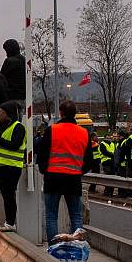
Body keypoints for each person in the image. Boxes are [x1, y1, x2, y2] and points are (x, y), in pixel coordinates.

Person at [35, 100, 93, 242]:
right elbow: (89, 160)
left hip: (53, 178)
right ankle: (76, 246)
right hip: (73, 179)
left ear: (60, 113)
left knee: (51, 215)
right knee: (76, 216)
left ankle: (54, 247)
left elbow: (42, 155)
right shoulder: (84, 133)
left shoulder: (52, 130)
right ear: (75, 114)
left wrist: (45, 171)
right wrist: (79, 171)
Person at [0, 103, 26, 231]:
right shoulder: (0, 127)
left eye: (1, 112)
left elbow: (15, 145)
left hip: (12, 167)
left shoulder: (18, 127)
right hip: (1, 167)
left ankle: (10, 223)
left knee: (9, 195)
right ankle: (9, 222)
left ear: (8, 114)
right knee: (6, 195)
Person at [0, 39, 26, 113]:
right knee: (19, 118)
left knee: (10, 118)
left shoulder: (9, 61)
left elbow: (1, 78)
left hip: (11, 97)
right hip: (23, 97)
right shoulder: (24, 60)